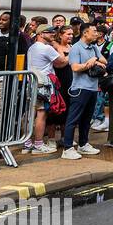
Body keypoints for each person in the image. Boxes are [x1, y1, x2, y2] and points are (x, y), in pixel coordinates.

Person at [60, 22, 108, 160]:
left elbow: (104, 60)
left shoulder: (93, 47)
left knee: (87, 119)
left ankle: (83, 144)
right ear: (85, 33)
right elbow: (74, 67)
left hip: (93, 87)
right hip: (80, 88)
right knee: (73, 119)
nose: (96, 34)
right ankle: (68, 148)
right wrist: (90, 63)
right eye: (94, 31)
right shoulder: (76, 48)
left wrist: (97, 59)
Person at [24, 25, 67, 156]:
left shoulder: (32, 47)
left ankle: (27, 144)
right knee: (41, 115)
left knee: (31, 114)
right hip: (43, 84)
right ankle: (38, 144)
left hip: (32, 82)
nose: (53, 34)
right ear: (41, 34)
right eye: (50, 32)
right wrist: (60, 49)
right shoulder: (47, 48)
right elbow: (62, 62)